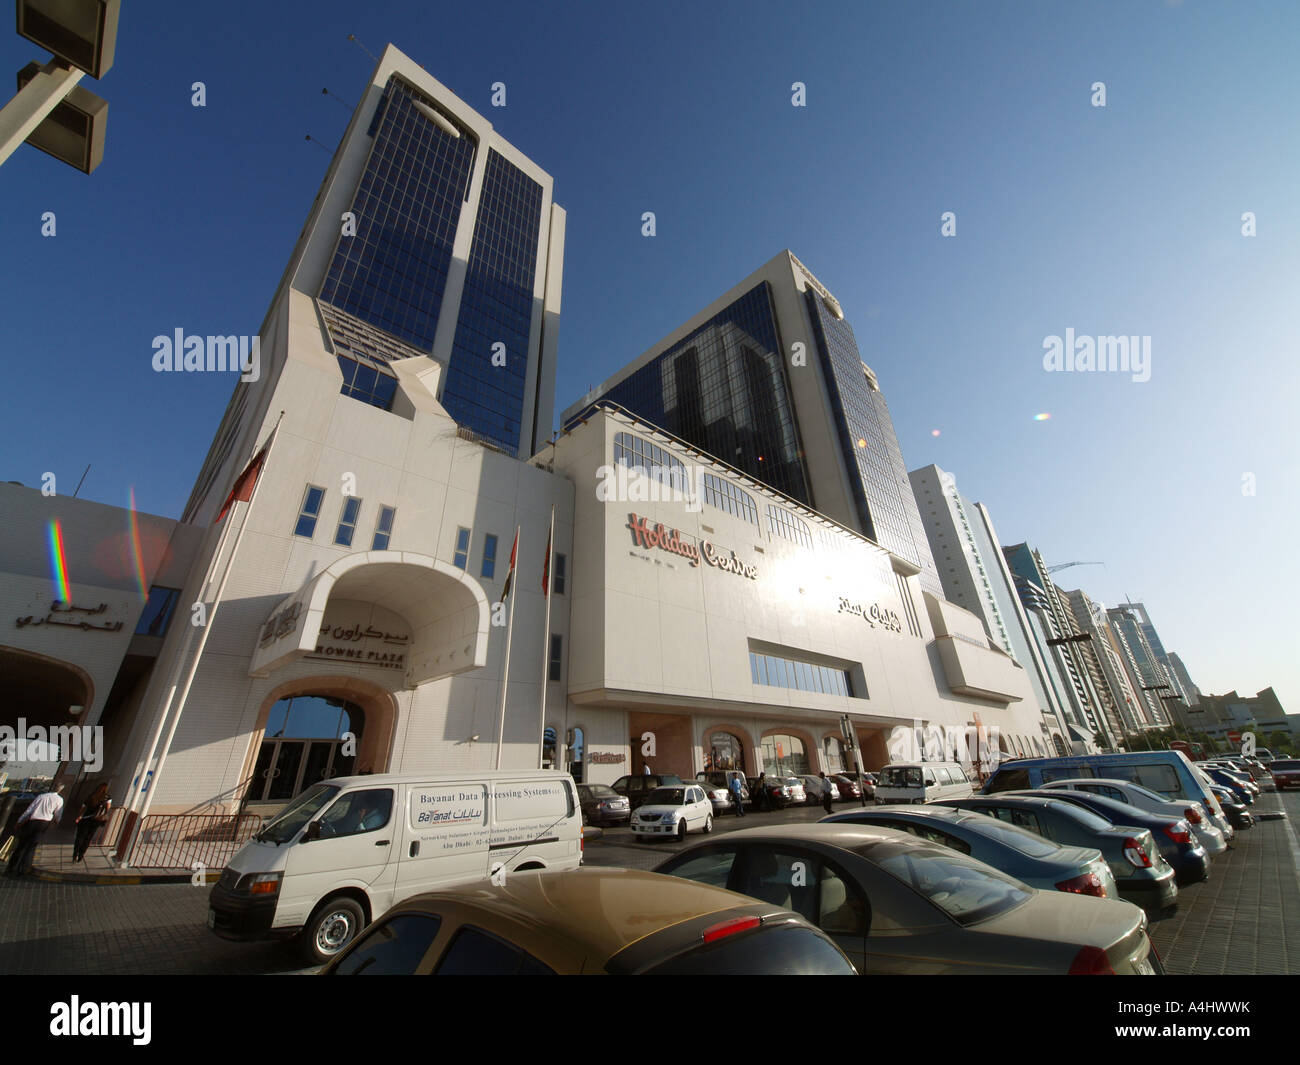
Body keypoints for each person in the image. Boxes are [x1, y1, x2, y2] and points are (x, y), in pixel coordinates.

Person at [6, 783, 65, 878]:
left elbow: (29, 810)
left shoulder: (41, 796)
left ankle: (11, 868)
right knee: (31, 846)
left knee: (21, 845)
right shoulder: (59, 800)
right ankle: (23, 869)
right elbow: (58, 813)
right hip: (44, 823)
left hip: (32, 821)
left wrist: (19, 821)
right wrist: (56, 821)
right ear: (60, 790)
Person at [73, 783, 112, 863]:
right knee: (88, 838)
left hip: (86, 818)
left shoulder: (91, 796)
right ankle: (81, 855)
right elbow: (108, 809)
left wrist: (79, 816)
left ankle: (75, 854)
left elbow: (83, 807)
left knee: (80, 837)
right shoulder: (107, 798)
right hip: (96, 820)